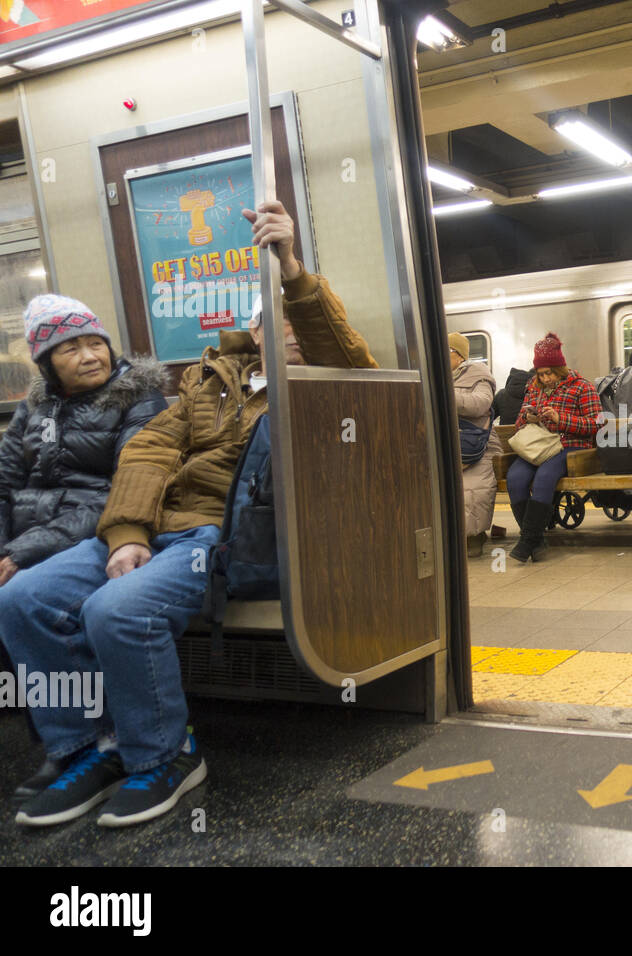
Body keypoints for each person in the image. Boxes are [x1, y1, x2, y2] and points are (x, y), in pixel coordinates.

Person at [0, 199, 378, 829]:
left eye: (296, 323)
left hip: (216, 534)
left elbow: (342, 353)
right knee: (21, 601)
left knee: (115, 610)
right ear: (254, 334)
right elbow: (149, 450)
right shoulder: (207, 381)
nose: (286, 331)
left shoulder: (325, 385)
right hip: (148, 525)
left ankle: (166, 754)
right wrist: (124, 533)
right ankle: (86, 747)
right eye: (272, 323)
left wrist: (290, 270)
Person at [0, 295, 169, 799]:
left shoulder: (139, 398)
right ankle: (67, 739)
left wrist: (20, 553)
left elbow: (124, 489)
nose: (90, 355)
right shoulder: (34, 408)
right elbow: (4, 481)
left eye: (96, 343)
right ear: (46, 363)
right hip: (30, 540)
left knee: (21, 597)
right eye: (71, 348)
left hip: (105, 531)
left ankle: (85, 740)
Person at [507, 332, 601, 563]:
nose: (545, 378)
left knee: (544, 477)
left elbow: (597, 424)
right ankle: (537, 540)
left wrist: (562, 419)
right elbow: (519, 423)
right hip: (538, 446)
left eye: (549, 373)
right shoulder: (533, 388)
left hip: (570, 447)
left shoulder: (582, 387)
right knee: (515, 478)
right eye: (541, 373)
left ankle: (528, 539)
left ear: (560, 369)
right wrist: (528, 419)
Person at [450, 332, 501, 557]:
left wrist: (448, 397)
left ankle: (473, 537)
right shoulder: (439, 375)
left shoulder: (478, 375)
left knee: (472, 489)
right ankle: (453, 535)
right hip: (450, 443)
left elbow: (481, 404)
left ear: (459, 356)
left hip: (476, 443)